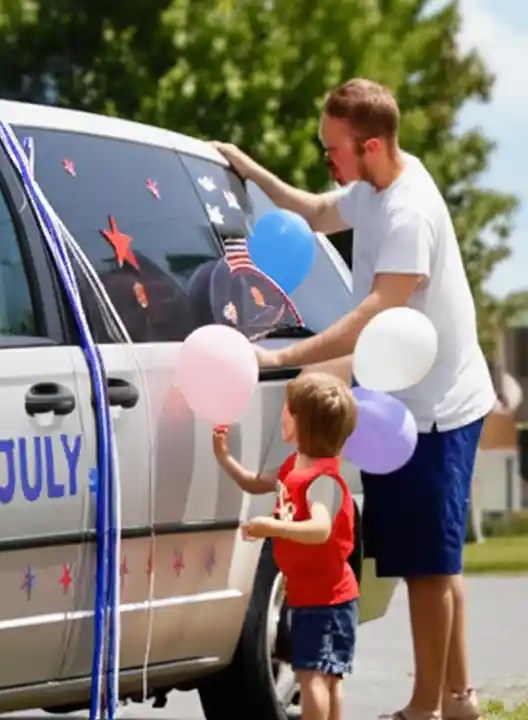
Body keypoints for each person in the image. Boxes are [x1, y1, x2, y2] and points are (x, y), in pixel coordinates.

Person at [212, 78, 496, 720]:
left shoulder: (407, 211)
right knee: (437, 560)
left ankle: (425, 707)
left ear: (370, 146)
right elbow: (313, 213)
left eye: (331, 149)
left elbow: (374, 312)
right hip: (406, 399)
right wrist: (247, 167)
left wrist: (284, 358)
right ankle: (460, 701)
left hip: (437, 409)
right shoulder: (374, 189)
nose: (327, 161)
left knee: (428, 565)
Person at [214, 373, 359, 720]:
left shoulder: (323, 481)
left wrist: (270, 526)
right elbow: (253, 483)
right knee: (326, 676)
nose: (282, 415)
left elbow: (319, 529)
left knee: (313, 677)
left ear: (303, 424)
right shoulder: (293, 467)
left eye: (287, 410)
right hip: (312, 596)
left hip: (327, 601)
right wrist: (224, 458)